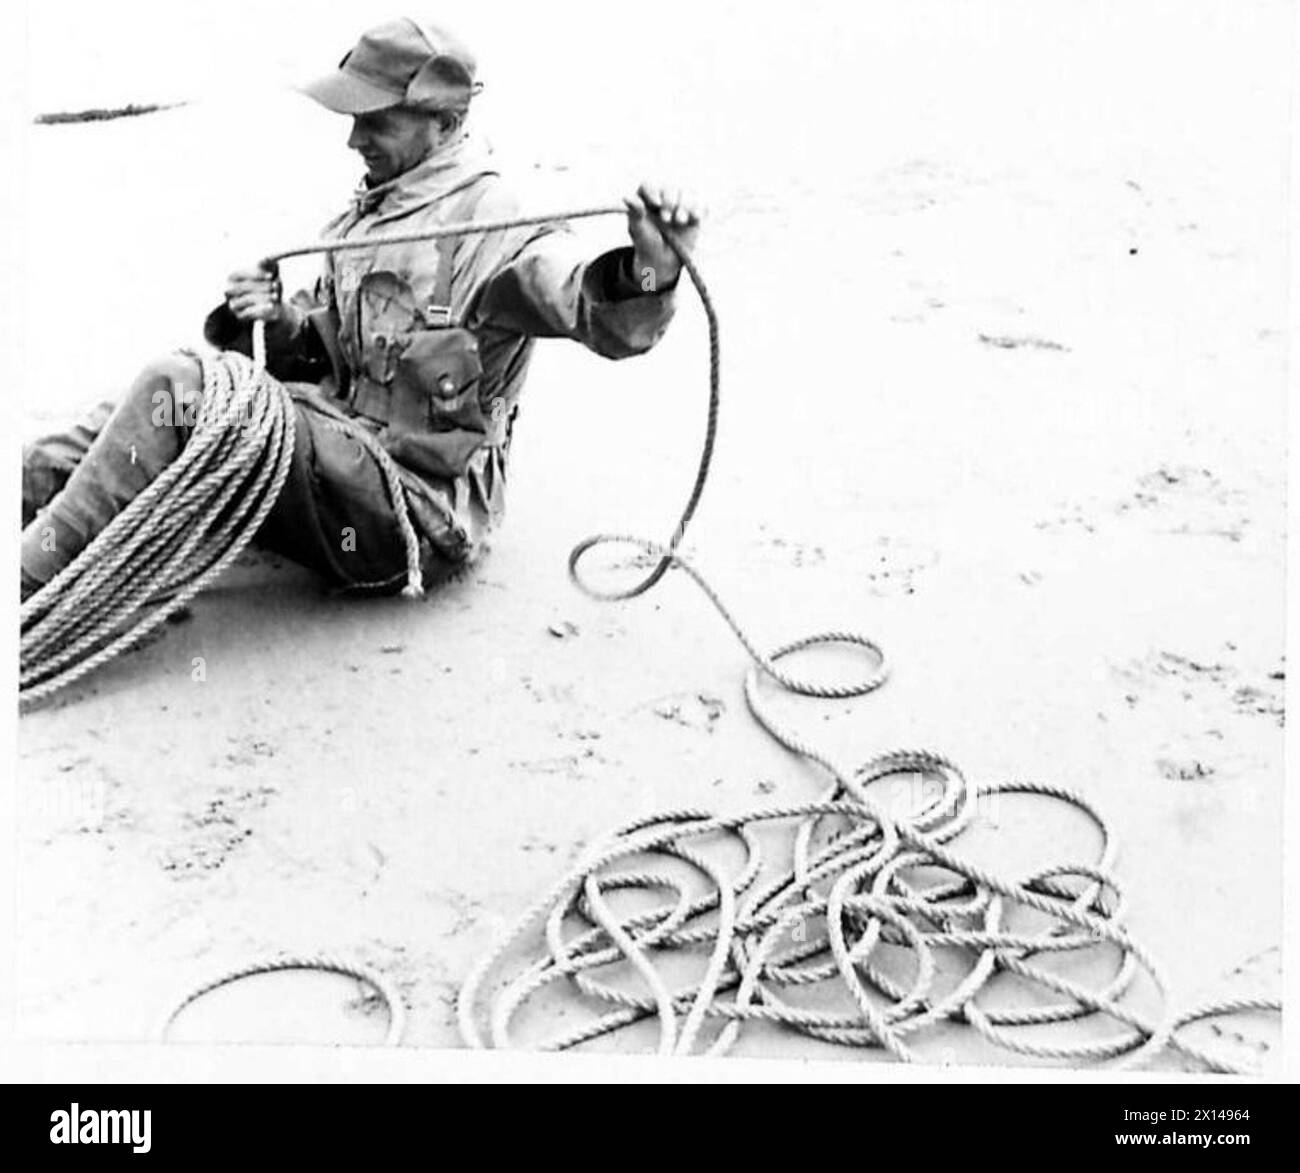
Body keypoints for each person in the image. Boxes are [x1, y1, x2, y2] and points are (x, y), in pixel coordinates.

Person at [21, 15, 703, 600]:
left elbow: (595, 313)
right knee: (143, 406)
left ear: (445, 122)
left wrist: (652, 268)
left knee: (181, 389)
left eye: (377, 121)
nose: (355, 140)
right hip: (336, 469)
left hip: (411, 520)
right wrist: (277, 323)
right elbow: (323, 351)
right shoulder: (373, 214)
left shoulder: (493, 224)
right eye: (354, 119)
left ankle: (23, 582)